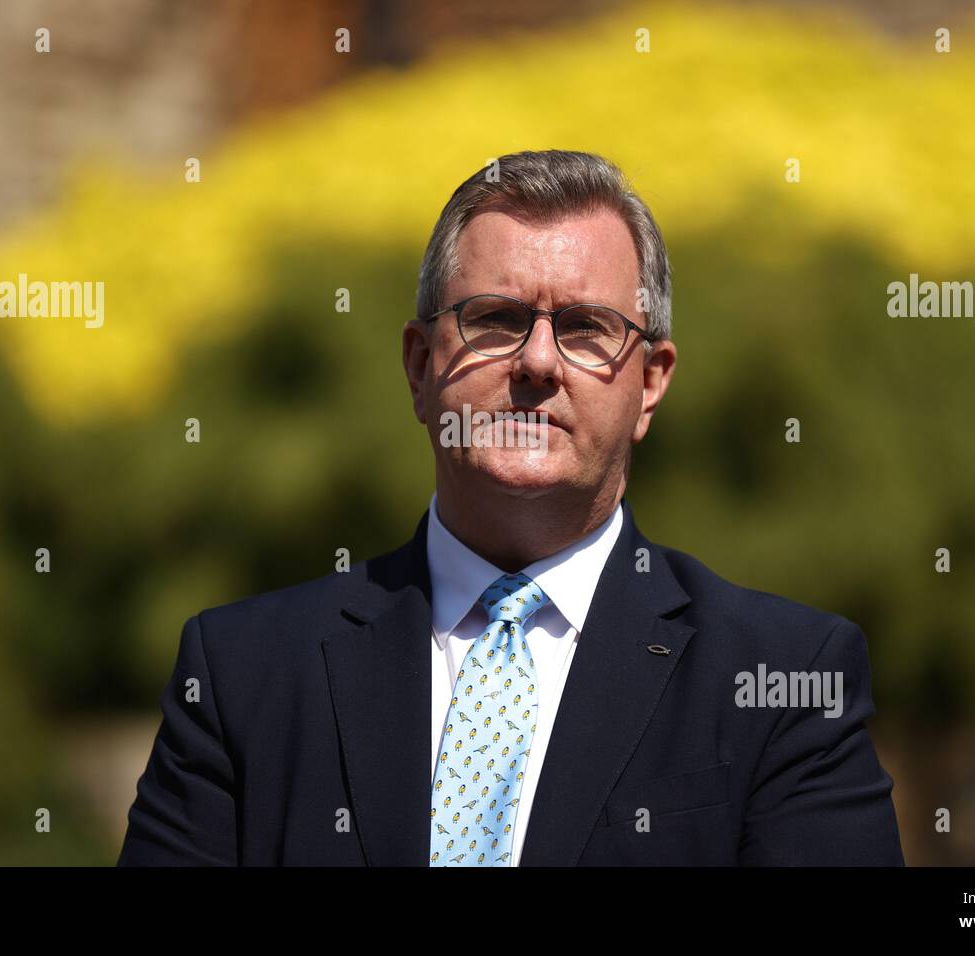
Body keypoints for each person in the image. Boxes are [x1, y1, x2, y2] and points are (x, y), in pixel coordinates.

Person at [117, 149, 905, 866]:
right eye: (494, 320)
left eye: (586, 328)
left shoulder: (783, 677)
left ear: (651, 384)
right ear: (421, 367)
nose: (536, 361)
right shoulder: (244, 674)